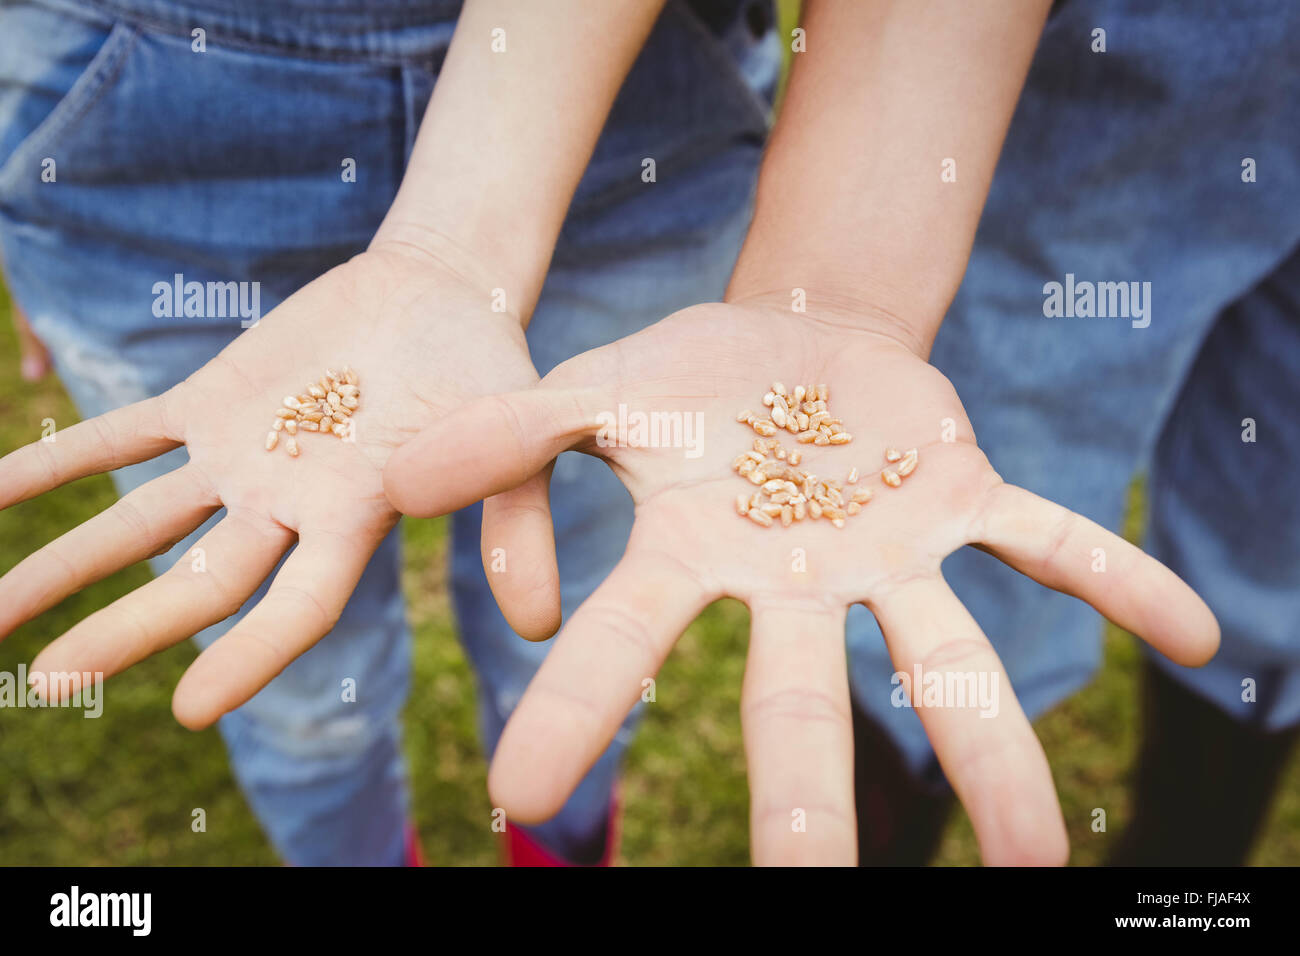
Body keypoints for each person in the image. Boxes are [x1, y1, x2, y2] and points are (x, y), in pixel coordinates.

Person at [1, 0, 1293, 868]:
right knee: (283, 658)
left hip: (643, 129)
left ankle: (553, 843)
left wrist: (837, 288)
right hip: (123, 128)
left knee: (584, 588)